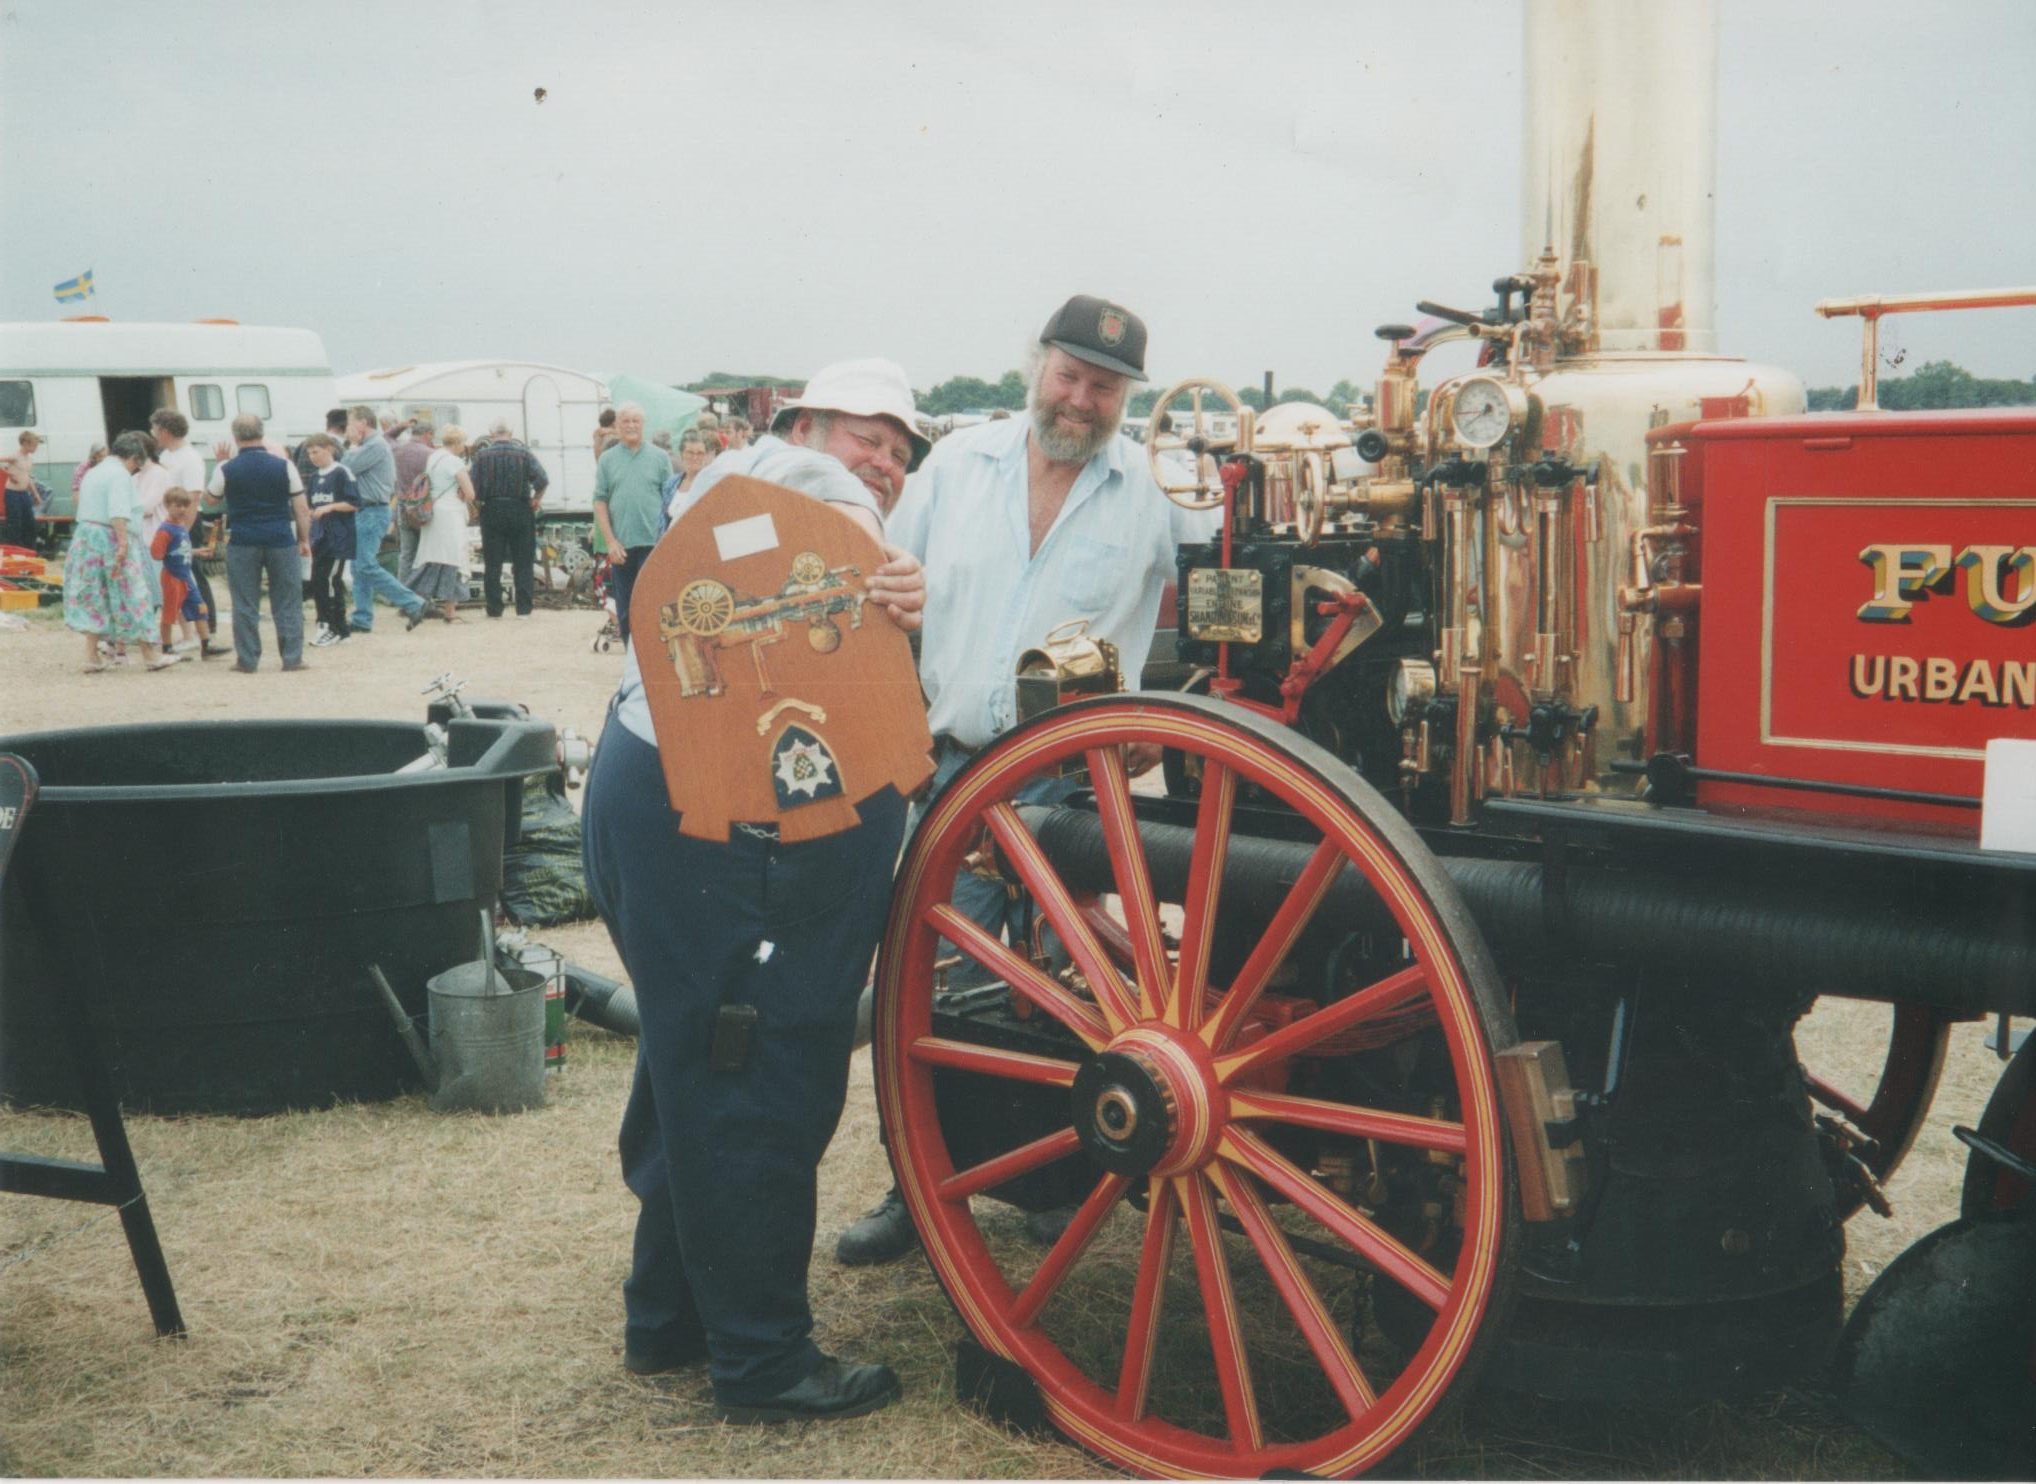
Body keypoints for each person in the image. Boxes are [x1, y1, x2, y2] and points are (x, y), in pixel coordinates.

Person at [834, 295, 1219, 1267]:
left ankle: (1056, 1183)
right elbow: (887, 579)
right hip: (958, 769)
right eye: (1068, 375)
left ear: (1125, 396)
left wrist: (1160, 720)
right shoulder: (956, 467)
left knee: (1067, 995)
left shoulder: (1155, 495)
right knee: (926, 992)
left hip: (1077, 784)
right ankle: (913, 1189)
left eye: (1103, 386)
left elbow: (1219, 619)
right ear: (1035, 367)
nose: (1080, 399)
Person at [582, 355, 929, 1425]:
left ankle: (669, 1314)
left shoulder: (739, 481)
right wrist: (883, 561)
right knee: (762, 1072)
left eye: (899, 450)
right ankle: (763, 1361)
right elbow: (803, 505)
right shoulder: (794, 482)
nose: (879, 459)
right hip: (735, 820)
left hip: (657, 794)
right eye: (863, 432)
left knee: (692, 1056)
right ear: (804, 421)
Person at [64, 431, 181, 673]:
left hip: (86, 538)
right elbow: (118, 511)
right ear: (134, 458)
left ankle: (91, 656)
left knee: (95, 595)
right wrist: (123, 543)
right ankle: (150, 655)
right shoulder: (119, 475)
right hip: (110, 537)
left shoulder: (93, 472)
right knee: (133, 594)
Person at [209, 412, 313, 672]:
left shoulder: (226, 468)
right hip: (280, 538)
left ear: (235, 437)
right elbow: (301, 507)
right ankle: (292, 658)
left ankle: (247, 659)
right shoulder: (284, 465)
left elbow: (210, 500)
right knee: (287, 599)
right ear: (261, 433)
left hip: (243, 539)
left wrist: (222, 467)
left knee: (244, 601)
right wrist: (304, 539)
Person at [341, 405, 429, 633]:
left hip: (371, 511)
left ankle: (413, 603)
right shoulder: (370, 445)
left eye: (350, 423)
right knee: (358, 567)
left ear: (362, 423)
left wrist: (351, 445)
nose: (347, 429)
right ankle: (362, 618)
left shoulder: (375, 446)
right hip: (364, 511)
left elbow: (346, 469)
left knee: (364, 564)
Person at [589, 403, 670, 646]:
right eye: (626, 421)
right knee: (625, 609)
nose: (631, 426)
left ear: (643, 425)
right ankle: (630, 657)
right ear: (617, 426)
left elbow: (670, 500)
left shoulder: (660, 457)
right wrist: (610, 541)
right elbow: (600, 501)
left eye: (636, 421)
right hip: (621, 546)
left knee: (653, 605)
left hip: (653, 543)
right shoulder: (608, 459)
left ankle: (653, 659)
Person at [469, 417, 550, 619]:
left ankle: (495, 608)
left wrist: (477, 506)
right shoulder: (524, 454)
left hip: (492, 509)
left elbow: (471, 487)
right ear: (511, 434)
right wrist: (536, 499)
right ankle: (523, 609)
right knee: (523, 561)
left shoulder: (481, 456)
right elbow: (542, 480)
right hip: (520, 508)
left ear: (491, 433)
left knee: (492, 562)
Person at [409, 424, 476, 622]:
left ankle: (416, 603)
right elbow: (471, 493)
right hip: (451, 514)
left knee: (430, 557)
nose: (465, 446)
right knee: (454, 559)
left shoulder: (433, 457)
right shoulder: (455, 462)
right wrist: (463, 492)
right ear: (457, 443)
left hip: (433, 512)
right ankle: (450, 611)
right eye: (463, 442)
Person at [303, 434, 359, 645]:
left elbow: (354, 503)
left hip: (339, 536)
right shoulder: (316, 477)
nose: (312, 457)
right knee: (321, 579)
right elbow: (311, 506)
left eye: (316, 452)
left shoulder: (341, 472)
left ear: (330, 449)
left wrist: (330, 507)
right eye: (309, 453)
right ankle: (340, 629)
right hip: (320, 537)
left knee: (326, 579)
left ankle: (329, 626)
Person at [151, 488, 219, 656]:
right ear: (168, 506)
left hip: (186, 576)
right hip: (172, 576)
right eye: (178, 506)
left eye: (185, 506)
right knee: (170, 612)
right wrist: (170, 553)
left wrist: (195, 551)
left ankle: (206, 644)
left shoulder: (180, 527)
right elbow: (156, 553)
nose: (182, 509)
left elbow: (182, 549)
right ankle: (167, 646)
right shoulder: (165, 529)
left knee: (200, 608)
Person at [391, 418, 437, 586]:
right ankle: (423, 594)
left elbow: (386, 438)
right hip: (423, 507)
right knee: (426, 552)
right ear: (428, 434)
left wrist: (401, 426)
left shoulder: (398, 450)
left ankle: (403, 595)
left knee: (406, 553)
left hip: (403, 505)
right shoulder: (430, 454)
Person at [656, 428, 716, 535]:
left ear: (706, 455)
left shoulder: (712, 485)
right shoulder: (671, 484)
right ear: (681, 454)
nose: (695, 457)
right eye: (690, 452)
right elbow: (662, 520)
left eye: (700, 453)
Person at [4, 431, 42, 549]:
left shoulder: (29, 459)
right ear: (25, 443)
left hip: (24, 493)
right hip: (12, 493)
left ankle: (29, 549)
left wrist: (35, 494)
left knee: (30, 523)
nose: (36, 448)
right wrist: (8, 474)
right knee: (15, 524)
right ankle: (15, 550)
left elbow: (27, 477)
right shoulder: (15, 456)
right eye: (34, 445)